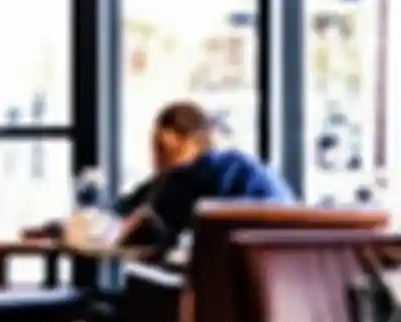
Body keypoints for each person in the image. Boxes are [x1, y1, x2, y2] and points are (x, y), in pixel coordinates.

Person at [111, 100, 293, 248]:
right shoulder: (180, 177)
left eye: (162, 147)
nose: (156, 157)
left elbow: (134, 217)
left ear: (193, 142)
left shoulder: (214, 170)